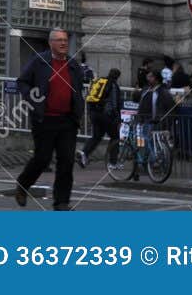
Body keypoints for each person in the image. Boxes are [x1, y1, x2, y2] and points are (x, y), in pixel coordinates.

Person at [14, 28, 86, 210]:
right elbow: (22, 82)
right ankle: (23, 184)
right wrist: (31, 97)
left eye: (65, 40)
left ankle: (62, 202)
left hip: (67, 121)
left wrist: (78, 110)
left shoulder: (73, 65)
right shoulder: (40, 61)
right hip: (44, 119)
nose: (63, 43)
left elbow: (78, 89)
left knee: (66, 161)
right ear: (50, 43)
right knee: (42, 159)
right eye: (59, 40)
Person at [79, 66, 122, 166]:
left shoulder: (100, 81)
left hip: (94, 113)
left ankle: (84, 154)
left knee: (96, 136)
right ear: (117, 77)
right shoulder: (113, 85)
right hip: (105, 115)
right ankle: (113, 162)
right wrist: (117, 117)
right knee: (115, 137)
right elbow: (114, 104)